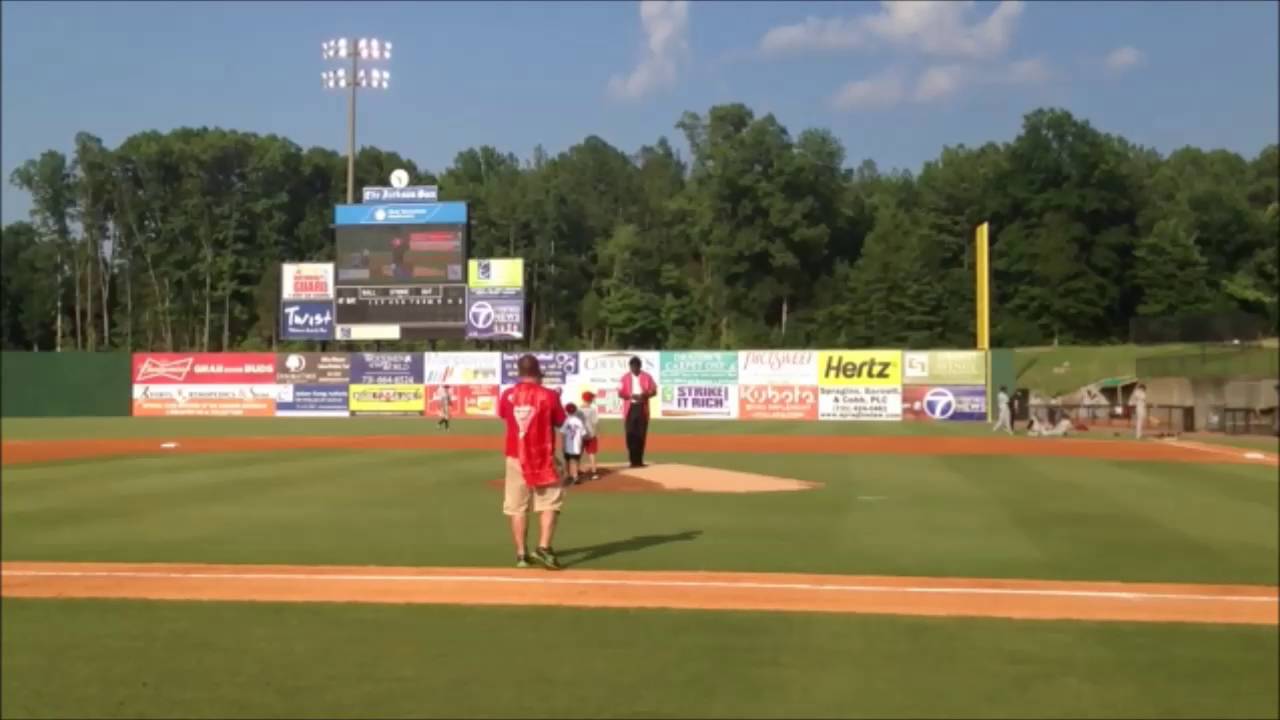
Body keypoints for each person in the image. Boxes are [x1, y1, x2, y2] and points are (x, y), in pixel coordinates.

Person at [497, 354, 568, 570]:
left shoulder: (508, 395)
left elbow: (503, 415)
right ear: (538, 373)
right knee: (550, 502)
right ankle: (544, 547)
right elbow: (561, 421)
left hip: (515, 455)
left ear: (519, 372)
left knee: (517, 506)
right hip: (542, 456)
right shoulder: (549, 395)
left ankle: (521, 553)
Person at [619, 356, 658, 468]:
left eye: (636, 367)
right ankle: (632, 460)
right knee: (630, 434)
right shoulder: (624, 378)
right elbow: (620, 393)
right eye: (632, 367)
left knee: (641, 434)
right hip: (630, 407)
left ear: (640, 366)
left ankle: (639, 460)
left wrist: (645, 395)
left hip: (642, 407)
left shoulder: (647, 377)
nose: (634, 369)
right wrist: (631, 395)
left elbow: (654, 391)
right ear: (630, 366)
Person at [561, 403, 587, 484]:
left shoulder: (566, 420)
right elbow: (583, 434)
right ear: (575, 411)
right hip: (577, 445)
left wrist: (563, 444)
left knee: (567, 460)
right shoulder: (579, 421)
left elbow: (563, 433)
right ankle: (575, 477)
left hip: (568, 445)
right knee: (574, 461)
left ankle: (567, 476)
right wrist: (581, 444)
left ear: (566, 411)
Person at [580, 391, 600, 480]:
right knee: (592, 454)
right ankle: (594, 472)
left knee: (578, 454)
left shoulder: (577, 410)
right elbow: (594, 422)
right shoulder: (593, 410)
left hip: (580, 435)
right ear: (590, 399)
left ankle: (576, 472)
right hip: (591, 434)